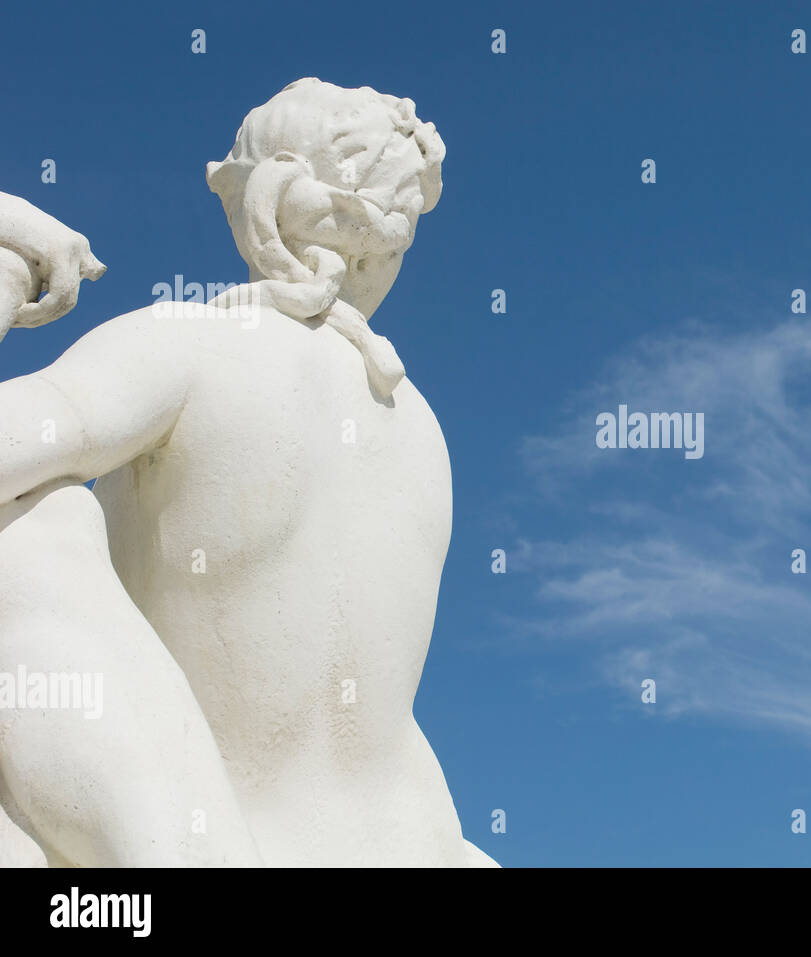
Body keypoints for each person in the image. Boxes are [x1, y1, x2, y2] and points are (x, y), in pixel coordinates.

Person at [0, 79, 496, 866]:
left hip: (215, 846)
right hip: (417, 844)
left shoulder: (190, 345)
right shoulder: (417, 427)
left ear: (259, 206)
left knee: (28, 524)